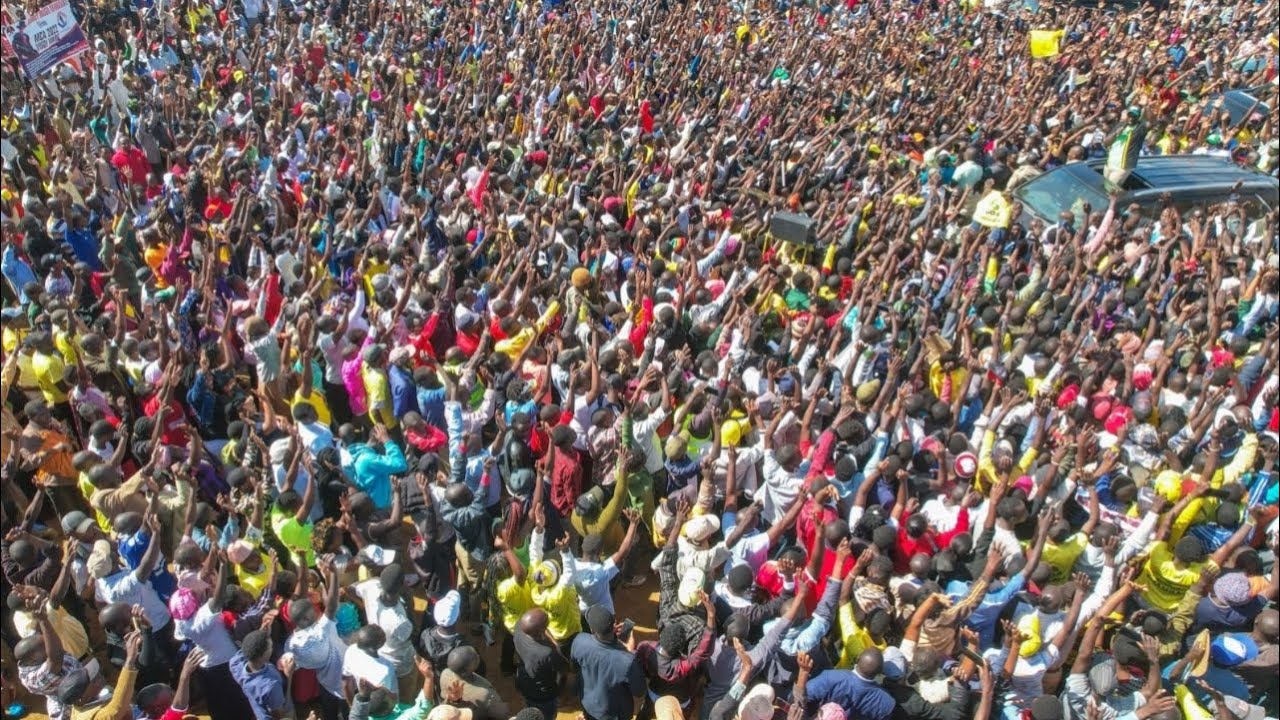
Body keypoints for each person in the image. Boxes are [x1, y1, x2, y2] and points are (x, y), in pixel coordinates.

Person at [572, 605, 647, 720]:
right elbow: (639, 691)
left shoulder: (579, 640)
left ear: (592, 629)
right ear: (613, 625)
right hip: (614, 713)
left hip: (588, 703)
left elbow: (575, 667)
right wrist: (628, 652)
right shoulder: (627, 661)